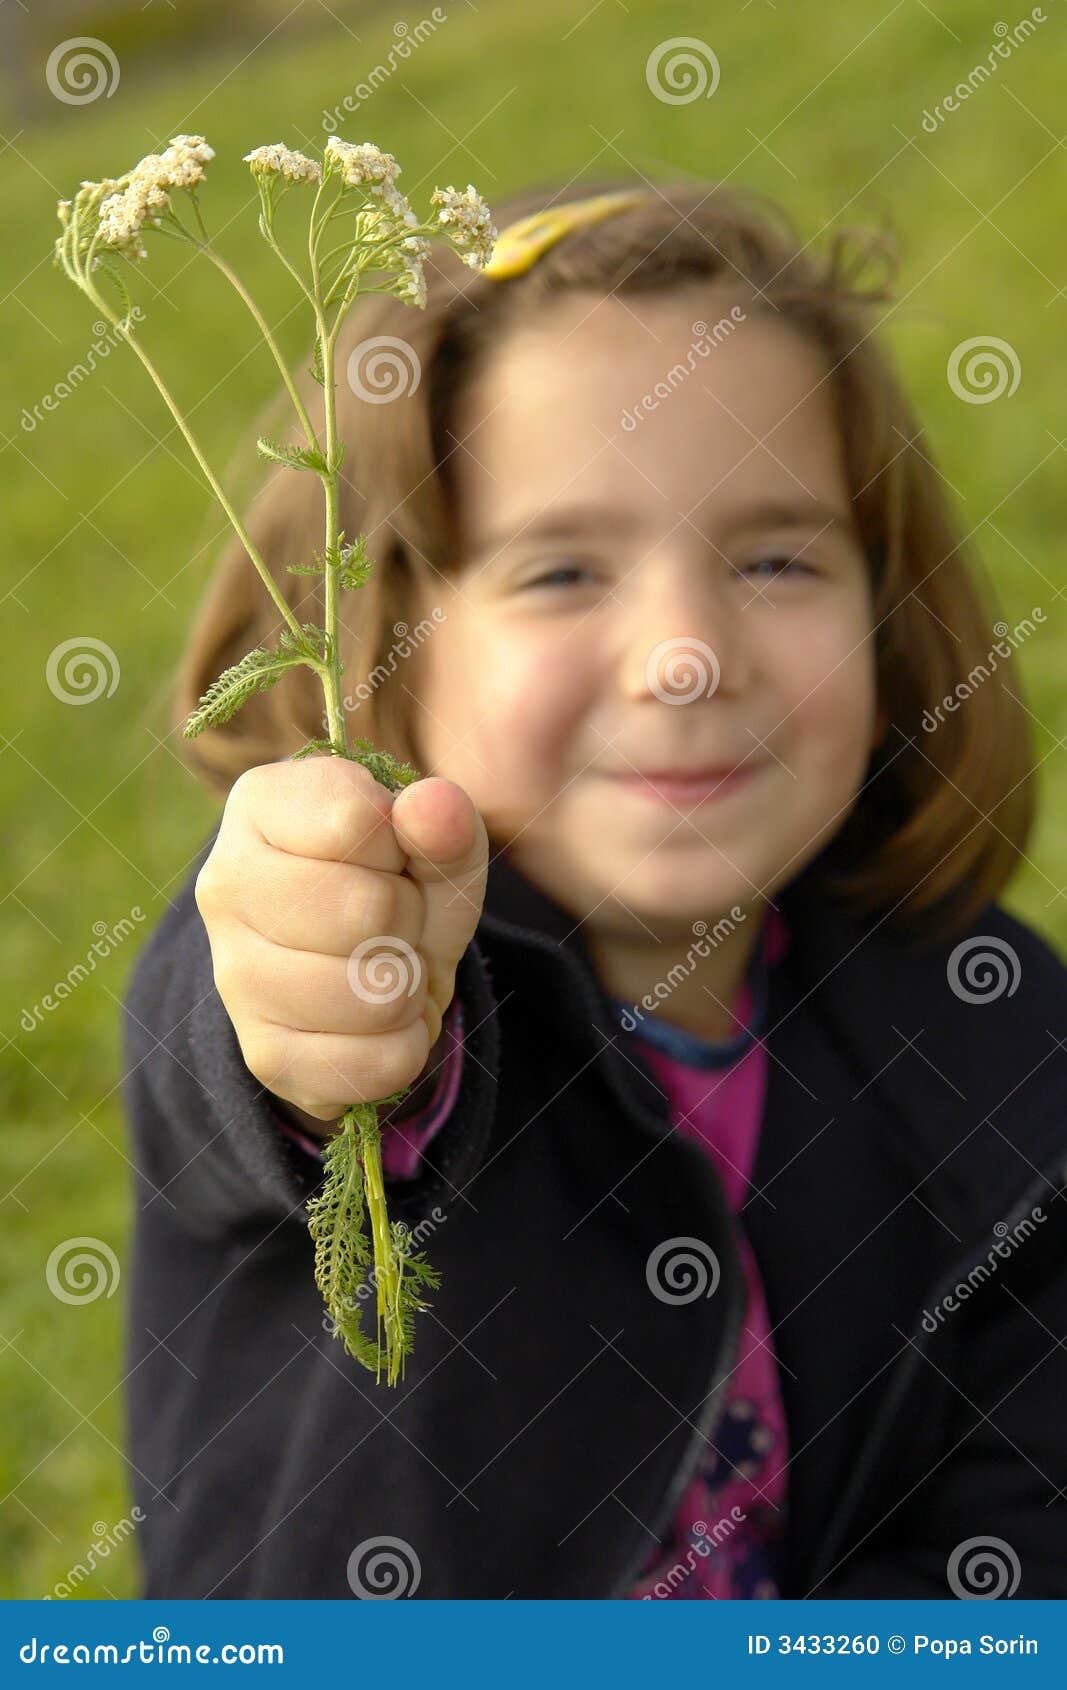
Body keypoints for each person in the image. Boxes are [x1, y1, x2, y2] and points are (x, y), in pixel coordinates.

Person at [120, 179, 1067, 1599]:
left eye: (774, 556)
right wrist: (320, 995)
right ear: (387, 645)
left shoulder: (991, 1026)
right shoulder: (376, 973)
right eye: (564, 571)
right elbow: (248, 1044)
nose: (687, 655)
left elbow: (1022, 1511)